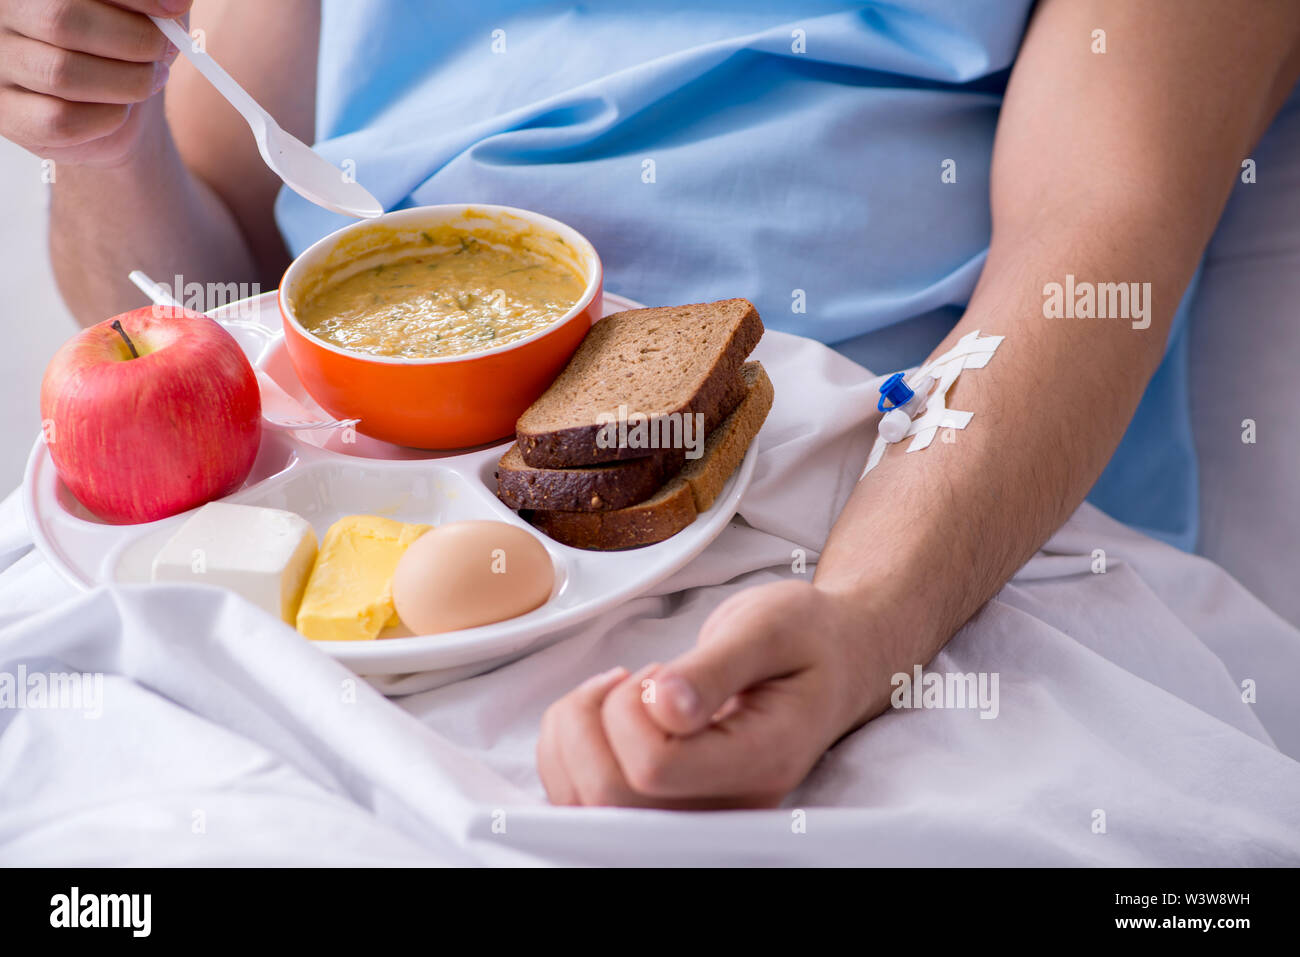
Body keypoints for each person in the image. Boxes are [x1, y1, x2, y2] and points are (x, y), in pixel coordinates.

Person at [4, 0, 1298, 809]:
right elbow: (206, 287)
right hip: (341, 509)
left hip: (859, 520)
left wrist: (861, 624)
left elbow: (1093, 245)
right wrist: (111, 146)